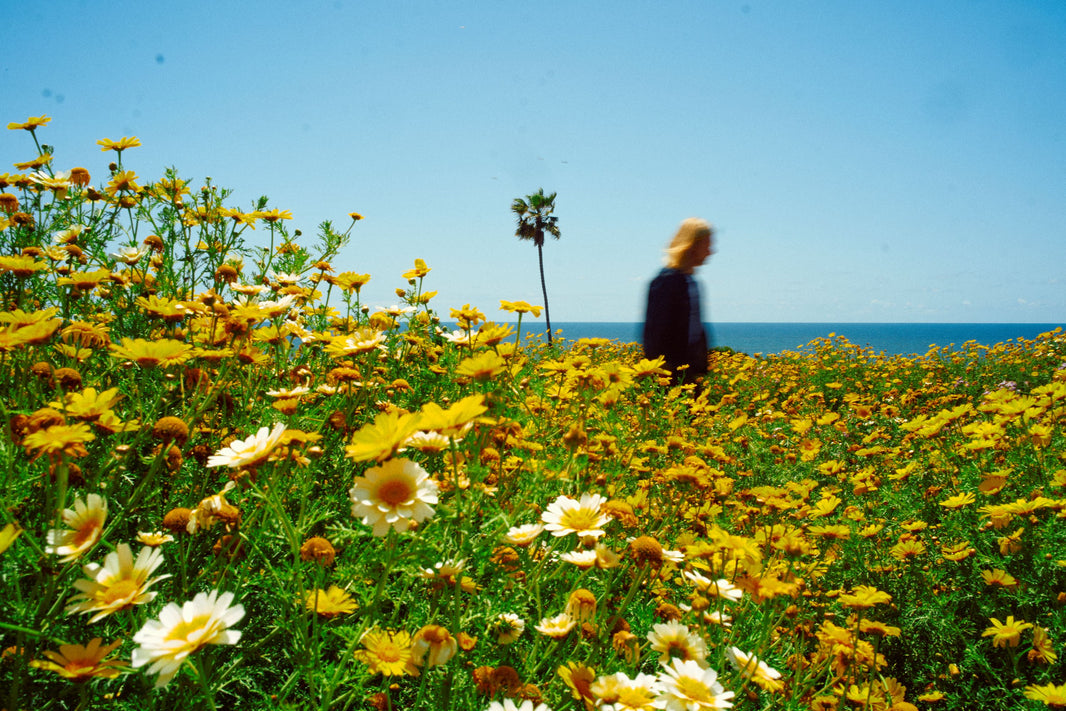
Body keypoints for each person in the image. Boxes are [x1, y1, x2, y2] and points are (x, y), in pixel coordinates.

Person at [642, 218, 715, 385]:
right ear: (692, 245)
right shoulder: (665, 282)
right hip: (669, 377)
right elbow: (654, 334)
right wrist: (662, 373)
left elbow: (695, 331)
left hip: (690, 374)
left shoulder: (691, 282)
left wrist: (701, 367)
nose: (710, 251)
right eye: (707, 245)